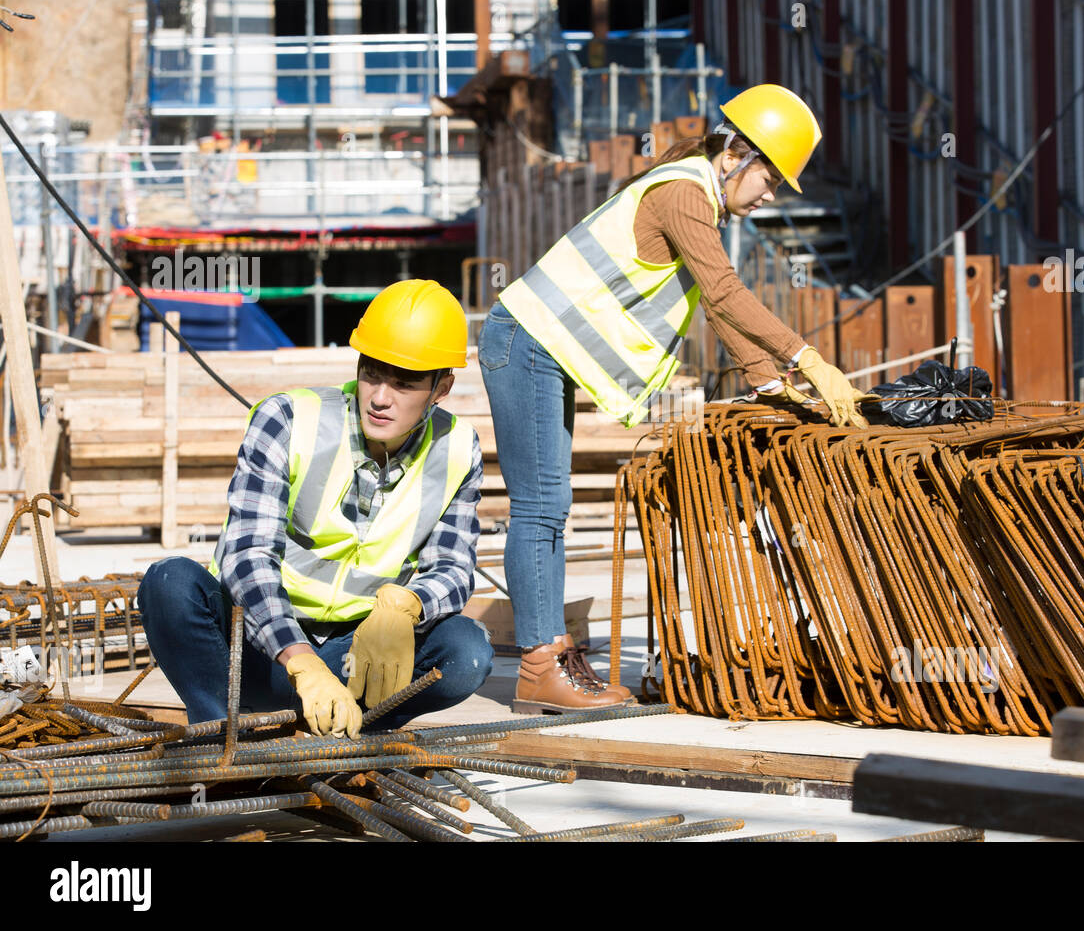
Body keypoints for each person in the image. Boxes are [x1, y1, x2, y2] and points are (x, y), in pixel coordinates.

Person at [479, 83, 868, 713]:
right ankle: (537, 669)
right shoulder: (684, 193)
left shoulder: (697, 198)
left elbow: (718, 311)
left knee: (552, 504)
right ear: (736, 153)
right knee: (540, 506)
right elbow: (724, 293)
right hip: (525, 341)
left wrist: (770, 384)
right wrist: (806, 356)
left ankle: (549, 656)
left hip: (537, 346)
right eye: (769, 177)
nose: (770, 195)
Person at [138, 280, 493, 737]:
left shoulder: (458, 448)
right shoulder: (288, 420)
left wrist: (407, 605)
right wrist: (301, 660)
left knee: (467, 652)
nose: (381, 397)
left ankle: (348, 729)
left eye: (404, 383)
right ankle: (222, 735)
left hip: (356, 656)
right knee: (169, 582)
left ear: (441, 387)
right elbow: (246, 557)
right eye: (372, 374)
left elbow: (454, 566)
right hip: (259, 650)